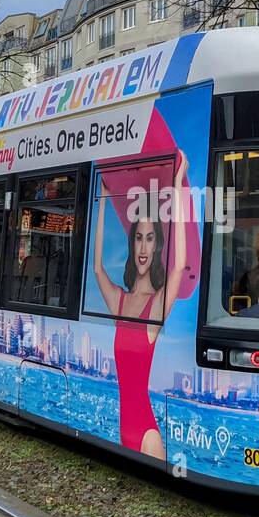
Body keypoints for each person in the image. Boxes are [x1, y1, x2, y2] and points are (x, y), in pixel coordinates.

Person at [92, 152, 189, 460]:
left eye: (150, 239)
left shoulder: (154, 305)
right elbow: (97, 269)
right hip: (124, 429)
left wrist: (177, 184)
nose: (144, 247)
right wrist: (105, 199)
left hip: (147, 435)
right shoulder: (119, 300)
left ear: (157, 245)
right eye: (138, 238)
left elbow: (179, 266)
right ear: (132, 243)